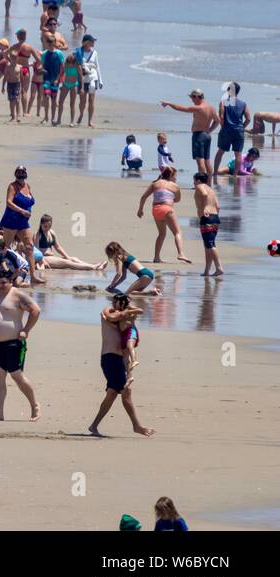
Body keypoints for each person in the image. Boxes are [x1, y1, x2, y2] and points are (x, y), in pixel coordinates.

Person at [89, 293, 156, 437]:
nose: (114, 304)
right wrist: (127, 311)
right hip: (109, 357)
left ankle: (94, 426)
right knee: (126, 391)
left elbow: (139, 311)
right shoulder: (108, 311)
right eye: (114, 302)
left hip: (118, 360)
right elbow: (112, 317)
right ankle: (136, 426)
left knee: (112, 394)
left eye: (117, 302)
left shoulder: (125, 316)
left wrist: (128, 307)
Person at [0, 263, 41, 421]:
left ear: (11, 281)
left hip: (14, 344)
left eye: (4, 282)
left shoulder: (18, 295)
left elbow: (35, 311)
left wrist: (26, 330)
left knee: (17, 376)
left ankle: (35, 406)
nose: (1, 285)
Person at [136, 167, 191, 263]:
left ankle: (156, 257)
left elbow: (143, 197)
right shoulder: (174, 186)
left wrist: (140, 210)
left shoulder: (155, 183)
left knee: (161, 234)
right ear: (170, 175)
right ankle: (181, 254)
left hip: (156, 210)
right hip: (167, 209)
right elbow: (177, 199)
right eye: (175, 176)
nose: (176, 178)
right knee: (177, 232)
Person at [160, 89, 218, 176]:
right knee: (207, 161)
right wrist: (209, 130)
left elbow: (181, 108)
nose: (191, 100)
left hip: (198, 136)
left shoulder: (198, 108)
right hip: (207, 136)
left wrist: (169, 103)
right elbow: (217, 121)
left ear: (197, 97)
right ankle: (208, 183)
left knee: (200, 161)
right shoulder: (211, 108)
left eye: (192, 97)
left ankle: (201, 182)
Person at [213, 83, 250, 178]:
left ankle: (215, 172)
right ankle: (235, 175)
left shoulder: (223, 102)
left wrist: (223, 126)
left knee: (220, 151)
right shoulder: (243, 104)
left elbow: (221, 116)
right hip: (238, 131)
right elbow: (248, 119)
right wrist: (242, 128)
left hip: (226, 130)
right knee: (238, 154)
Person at [192, 172, 224, 278]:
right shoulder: (211, 189)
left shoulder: (200, 186)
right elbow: (218, 206)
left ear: (198, 180)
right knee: (208, 245)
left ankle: (219, 268)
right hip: (215, 218)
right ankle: (206, 271)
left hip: (207, 218)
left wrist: (205, 208)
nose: (193, 183)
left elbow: (204, 194)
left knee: (210, 245)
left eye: (194, 180)